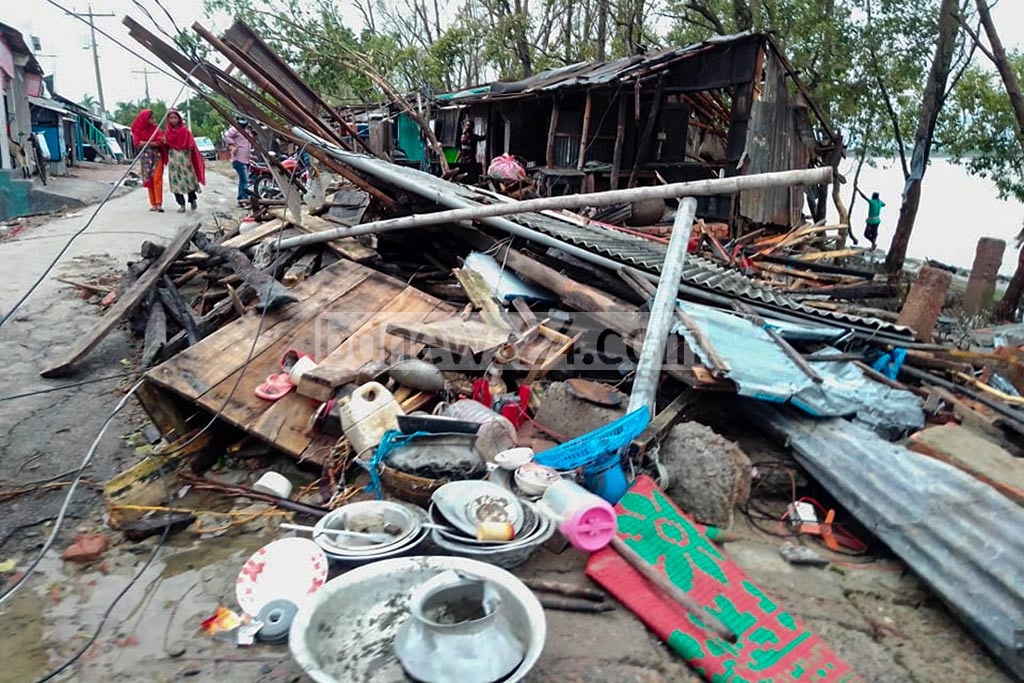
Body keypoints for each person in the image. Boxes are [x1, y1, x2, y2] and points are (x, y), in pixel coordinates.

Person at [164, 110, 205, 212]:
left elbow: (191, 145)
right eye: (171, 118)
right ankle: (181, 205)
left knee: (188, 181)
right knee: (175, 182)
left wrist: (189, 159)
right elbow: (166, 145)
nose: (173, 120)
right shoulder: (167, 132)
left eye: (175, 118)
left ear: (179, 119)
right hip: (173, 159)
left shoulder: (185, 131)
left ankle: (192, 200)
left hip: (185, 157)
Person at [131, 109, 167, 212]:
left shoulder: (156, 129)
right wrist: (152, 141)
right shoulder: (137, 129)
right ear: (145, 119)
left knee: (157, 179)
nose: (154, 120)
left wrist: (147, 142)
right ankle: (153, 204)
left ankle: (159, 203)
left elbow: (160, 142)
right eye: (151, 118)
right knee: (149, 180)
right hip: (146, 158)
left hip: (157, 157)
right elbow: (137, 143)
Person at [223, 117, 252, 207]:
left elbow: (245, 144)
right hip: (238, 159)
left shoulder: (246, 131)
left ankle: (243, 198)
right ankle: (242, 199)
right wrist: (233, 144)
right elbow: (226, 136)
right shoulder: (235, 129)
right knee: (244, 179)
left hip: (246, 159)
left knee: (244, 180)